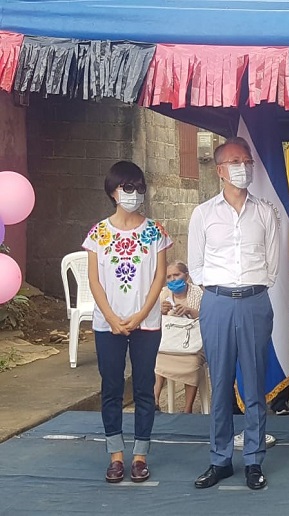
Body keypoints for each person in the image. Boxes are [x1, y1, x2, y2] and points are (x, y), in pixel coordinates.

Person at [189, 136, 280, 491]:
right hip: (217, 302)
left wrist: (253, 287)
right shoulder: (203, 214)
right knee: (221, 382)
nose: (243, 168)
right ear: (220, 170)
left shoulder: (265, 212)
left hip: (256, 300)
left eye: (247, 161)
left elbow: (272, 262)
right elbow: (195, 263)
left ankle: (254, 461)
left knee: (255, 383)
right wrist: (219, 290)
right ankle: (220, 459)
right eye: (235, 162)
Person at [83, 161, 171, 483]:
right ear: (113, 191)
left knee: (145, 388)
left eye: (139, 188)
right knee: (112, 387)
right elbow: (94, 280)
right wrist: (110, 316)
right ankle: (115, 455)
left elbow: (160, 276)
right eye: (128, 188)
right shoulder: (98, 233)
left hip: (146, 323)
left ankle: (140, 455)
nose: (134, 194)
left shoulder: (156, 231)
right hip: (108, 325)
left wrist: (140, 313)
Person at [154, 261, 205, 413]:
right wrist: (160, 311)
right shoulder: (163, 294)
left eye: (177, 275)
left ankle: (187, 408)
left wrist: (190, 311)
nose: (172, 279)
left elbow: (208, 317)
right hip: (169, 343)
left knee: (192, 362)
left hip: (194, 344)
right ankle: (154, 402)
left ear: (187, 276)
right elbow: (151, 319)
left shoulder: (199, 293)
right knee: (157, 358)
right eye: (169, 277)